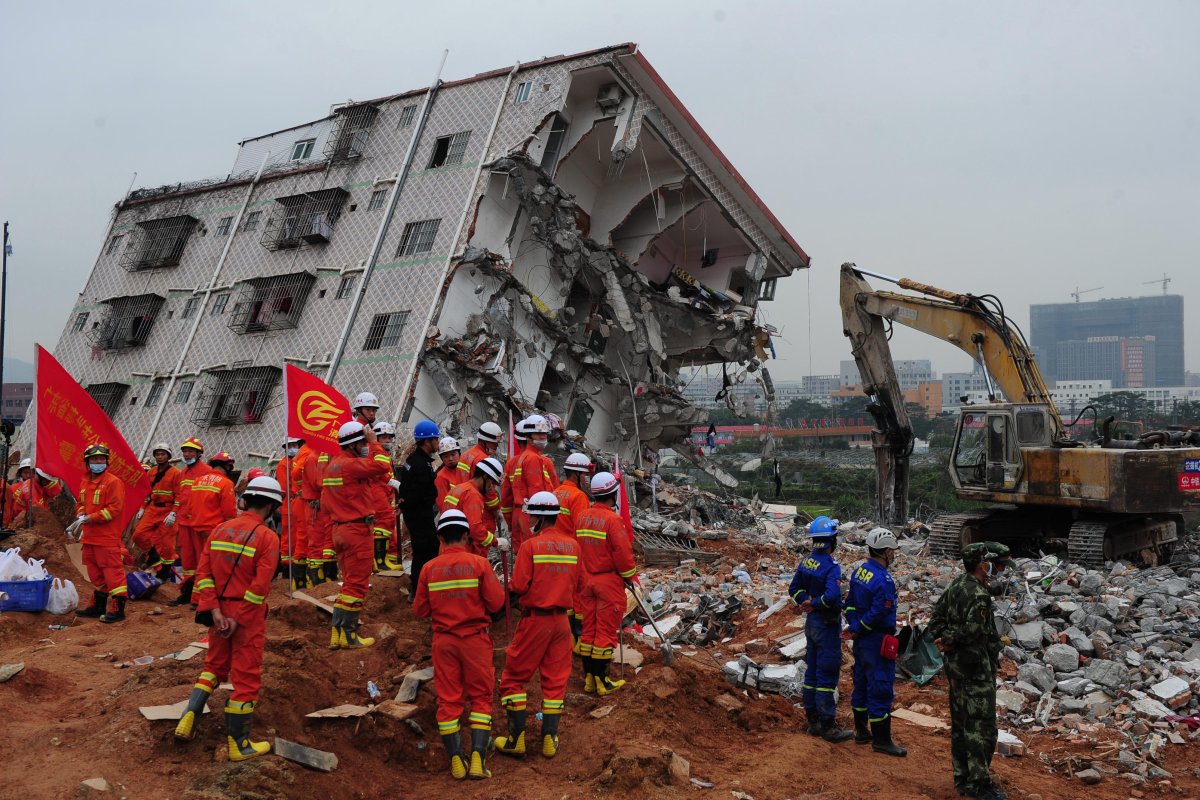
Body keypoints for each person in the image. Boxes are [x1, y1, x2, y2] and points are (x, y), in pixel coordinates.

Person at [173, 476, 283, 762]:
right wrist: (239, 618)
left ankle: (190, 716)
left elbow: (203, 574)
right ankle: (239, 745)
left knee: (214, 667)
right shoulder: (268, 538)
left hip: (217, 612)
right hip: (246, 616)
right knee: (245, 679)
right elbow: (260, 588)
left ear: (245, 500)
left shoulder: (219, 530)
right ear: (272, 506)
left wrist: (216, 611)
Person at [414, 509, 507, 781]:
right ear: (466, 535)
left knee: (449, 699)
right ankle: (478, 758)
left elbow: (420, 609)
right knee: (480, 697)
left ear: (440, 536)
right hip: (475, 640)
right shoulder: (479, 564)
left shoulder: (428, 569)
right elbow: (497, 603)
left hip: (444, 641)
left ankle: (456, 759)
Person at [495, 491, 581, 759]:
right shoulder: (573, 547)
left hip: (536, 621)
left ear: (539, 518)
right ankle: (549, 738)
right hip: (561, 623)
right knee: (555, 683)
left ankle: (515, 740)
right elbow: (579, 585)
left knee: (513, 679)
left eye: (532, 515)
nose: (529, 518)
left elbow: (519, 585)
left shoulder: (531, 546)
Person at [928, 542, 1011, 800]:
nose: (995, 569)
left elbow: (935, 622)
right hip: (974, 668)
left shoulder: (955, 586)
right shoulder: (978, 595)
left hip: (955, 666)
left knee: (961, 723)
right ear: (981, 564)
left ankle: (962, 778)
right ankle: (978, 784)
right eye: (992, 564)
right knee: (982, 726)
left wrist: (945, 638)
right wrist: (952, 637)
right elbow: (975, 629)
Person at [322, 421, 390, 648]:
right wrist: (374, 443)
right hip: (356, 530)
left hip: (339, 529)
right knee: (357, 585)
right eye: (362, 442)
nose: (365, 446)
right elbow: (382, 466)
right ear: (354, 444)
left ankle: (337, 634)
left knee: (348, 584)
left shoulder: (333, 465)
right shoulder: (349, 465)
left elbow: (325, 505)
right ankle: (350, 635)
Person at [787, 515, 853, 743]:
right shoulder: (831, 567)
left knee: (812, 672)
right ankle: (827, 726)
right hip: (826, 625)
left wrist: (805, 601)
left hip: (812, 625)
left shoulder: (807, 562)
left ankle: (812, 721)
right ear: (831, 540)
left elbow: (793, 588)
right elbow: (833, 595)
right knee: (827, 674)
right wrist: (814, 604)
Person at [844, 527, 906, 756]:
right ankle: (881, 740)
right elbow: (880, 611)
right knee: (880, 687)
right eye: (893, 552)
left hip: (861, 641)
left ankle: (862, 732)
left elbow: (849, 603)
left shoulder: (860, 572)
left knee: (861, 683)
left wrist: (854, 626)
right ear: (887, 551)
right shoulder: (884, 580)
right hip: (877, 639)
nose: (894, 555)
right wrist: (861, 627)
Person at [575, 471, 637, 695]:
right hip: (607, 581)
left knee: (589, 632)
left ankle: (590, 679)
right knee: (605, 633)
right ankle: (603, 682)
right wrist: (630, 577)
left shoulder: (582, 516)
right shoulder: (612, 520)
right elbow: (622, 554)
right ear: (612, 494)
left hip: (586, 580)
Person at [68, 444, 127, 623]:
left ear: (107, 461)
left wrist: (90, 518)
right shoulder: (85, 482)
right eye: (94, 459)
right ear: (88, 462)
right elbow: (81, 502)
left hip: (106, 538)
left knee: (112, 572)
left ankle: (118, 608)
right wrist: (80, 513)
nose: (98, 462)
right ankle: (98, 605)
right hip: (90, 537)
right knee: (94, 572)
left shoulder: (113, 482)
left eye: (101, 459)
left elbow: (114, 509)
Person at [173, 452, 237, 607]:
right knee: (209, 565)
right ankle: (198, 599)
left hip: (194, 527)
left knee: (193, 563)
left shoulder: (198, 481)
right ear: (227, 466)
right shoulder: (225, 483)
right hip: (214, 530)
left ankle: (190, 595)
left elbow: (190, 505)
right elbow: (229, 513)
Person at [553, 453, 592, 652]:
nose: (586, 479)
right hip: (572, 553)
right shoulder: (578, 497)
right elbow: (582, 530)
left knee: (564, 597)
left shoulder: (556, 492)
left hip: (554, 553)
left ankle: (566, 639)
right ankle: (578, 640)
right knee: (578, 598)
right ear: (576, 475)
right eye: (584, 475)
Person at [399, 419, 442, 594]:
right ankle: (420, 589)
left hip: (415, 514)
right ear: (427, 441)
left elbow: (405, 488)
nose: (438, 443)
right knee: (428, 550)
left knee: (422, 551)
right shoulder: (420, 464)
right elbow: (424, 492)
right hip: (420, 515)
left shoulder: (415, 460)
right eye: (436, 440)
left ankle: (418, 588)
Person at [171, 437, 213, 606]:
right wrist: (174, 513)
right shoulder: (184, 472)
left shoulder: (207, 471)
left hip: (198, 523)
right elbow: (180, 496)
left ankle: (201, 597)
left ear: (198, 453)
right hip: (184, 523)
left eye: (190, 451)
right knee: (187, 560)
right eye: (185, 451)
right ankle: (187, 593)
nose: (187, 454)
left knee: (202, 559)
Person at [131, 443, 181, 582]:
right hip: (152, 508)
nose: (160, 457)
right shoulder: (151, 471)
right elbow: (148, 492)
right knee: (138, 535)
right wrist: (142, 507)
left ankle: (163, 574)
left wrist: (174, 513)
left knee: (167, 545)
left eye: (163, 454)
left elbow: (180, 495)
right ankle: (154, 557)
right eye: (158, 454)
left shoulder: (175, 473)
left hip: (168, 510)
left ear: (168, 456)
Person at [441, 456, 507, 556]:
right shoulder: (473, 495)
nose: (492, 488)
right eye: (492, 483)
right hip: (462, 551)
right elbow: (474, 528)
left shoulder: (459, 488)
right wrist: (496, 541)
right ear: (484, 477)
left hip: (446, 548)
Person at [510, 415, 558, 553]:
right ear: (528, 437)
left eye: (544, 433)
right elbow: (536, 491)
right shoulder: (533, 458)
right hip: (533, 515)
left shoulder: (525, 456)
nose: (542, 437)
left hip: (522, 512)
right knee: (535, 555)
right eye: (538, 433)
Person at [275, 437, 311, 588]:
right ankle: (287, 567)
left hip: (296, 502)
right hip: (289, 503)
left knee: (298, 535)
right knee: (288, 536)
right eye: (290, 445)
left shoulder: (298, 459)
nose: (293, 447)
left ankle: (294, 564)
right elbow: (285, 486)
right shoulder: (284, 464)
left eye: (295, 445)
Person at [302, 446, 337, 586]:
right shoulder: (313, 458)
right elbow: (319, 483)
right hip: (315, 508)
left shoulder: (320, 456)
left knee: (327, 542)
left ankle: (326, 579)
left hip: (322, 506)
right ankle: (315, 581)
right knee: (317, 544)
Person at [370, 421, 402, 571]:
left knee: (386, 524)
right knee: (383, 522)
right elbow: (379, 472)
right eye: (384, 437)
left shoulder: (382, 453)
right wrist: (392, 482)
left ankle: (383, 560)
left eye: (389, 437)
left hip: (383, 492)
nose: (387, 440)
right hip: (377, 491)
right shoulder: (376, 451)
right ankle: (380, 562)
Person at [456, 421, 503, 518]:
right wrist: (496, 509)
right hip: (481, 508)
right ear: (485, 441)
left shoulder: (466, 454)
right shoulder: (484, 459)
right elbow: (489, 490)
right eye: (494, 443)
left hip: (463, 503)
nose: (496, 446)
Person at [6, 459, 63, 527]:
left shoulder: (41, 485)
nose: (28, 475)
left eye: (30, 472)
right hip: (20, 524)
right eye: (25, 472)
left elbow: (57, 492)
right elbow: (37, 512)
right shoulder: (29, 490)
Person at [499, 417, 531, 528]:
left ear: (517, 440)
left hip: (517, 516)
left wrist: (510, 523)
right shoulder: (544, 462)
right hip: (538, 519)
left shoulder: (511, 463)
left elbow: (506, 499)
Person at [434, 437, 463, 508]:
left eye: (453, 454)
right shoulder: (440, 477)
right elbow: (443, 505)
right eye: (446, 456)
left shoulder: (465, 469)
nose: (450, 459)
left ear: (459, 454)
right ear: (442, 459)